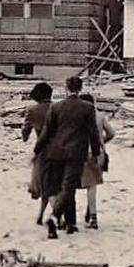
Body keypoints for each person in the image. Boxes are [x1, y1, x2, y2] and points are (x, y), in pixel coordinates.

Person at [34, 76, 101, 238]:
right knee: (69, 187)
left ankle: (70, 224)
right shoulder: (87, 108)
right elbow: (93, 133)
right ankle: (55, 217)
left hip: (55, 152)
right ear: (80, 88)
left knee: (63, 188)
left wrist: (37, 150)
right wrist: (96, 153)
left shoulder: (56, 107)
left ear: (66, 88)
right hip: (76, 154)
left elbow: (46, 132)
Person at [79, 93, 115, 230]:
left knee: (84, 185)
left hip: (84, 153)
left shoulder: (79, 117)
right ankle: (91, 213)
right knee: (92, 185)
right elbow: (111, 133)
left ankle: (93, 216)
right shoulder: (100, 116)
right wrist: (102, 142)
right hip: (99, 154)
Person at [21, 82, 54, 225]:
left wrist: (25, 136)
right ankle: (42, 215)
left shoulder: (32, 110)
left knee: (44, 185)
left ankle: (54, 216)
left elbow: (25, 131)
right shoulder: (58, 107)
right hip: (61, 149)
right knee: (55, 184)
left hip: (42, 151)